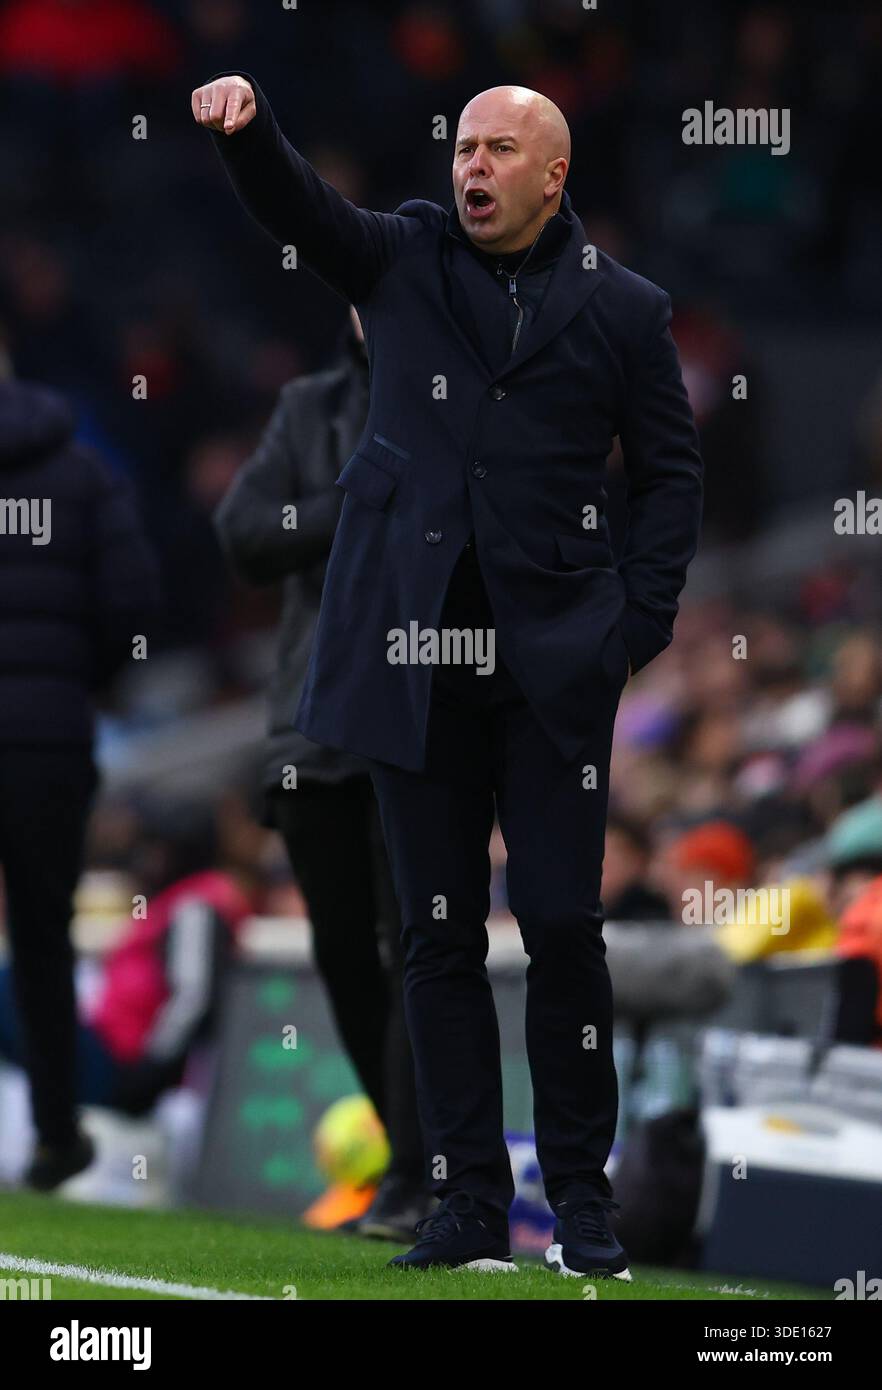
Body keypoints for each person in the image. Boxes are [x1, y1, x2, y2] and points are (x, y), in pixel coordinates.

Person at [193, 73, 702, 1277]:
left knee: (566, 930)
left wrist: (636, 623)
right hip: (411, 660)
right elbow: (304, 213)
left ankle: (580, 1202)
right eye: (463, 146)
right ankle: (465, 1199)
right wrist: (253, 131)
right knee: (435, 937)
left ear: (552, 173)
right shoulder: (404, 256)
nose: (470, 166)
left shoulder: (624, 309)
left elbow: (672, 476)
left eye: (497, 149)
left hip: (550, 668)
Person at [213, 308, 430, 1240]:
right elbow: (242, 530)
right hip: (312, 725)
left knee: (416, 946)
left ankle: (420, 1176)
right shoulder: (310, 407)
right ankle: (408, 1161)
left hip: (422, 717)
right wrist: (349, 508)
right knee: (345, 951)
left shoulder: (460, 400)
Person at [0, 372, 159, 1189]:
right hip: (47, 741)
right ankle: (56, 1135)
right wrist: (70, 684)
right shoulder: (83, 473)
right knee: (42, 938)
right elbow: (133, 608)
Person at [0, 797, 262, 1184]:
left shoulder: (197, 903)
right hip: (114, 1056)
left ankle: (56, 1136)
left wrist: (149, 1073)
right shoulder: (183, 898)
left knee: (12, 982)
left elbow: (194, 997)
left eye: (159, 849)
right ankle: (54, 1134)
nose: (149, 859)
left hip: (120, 1065)